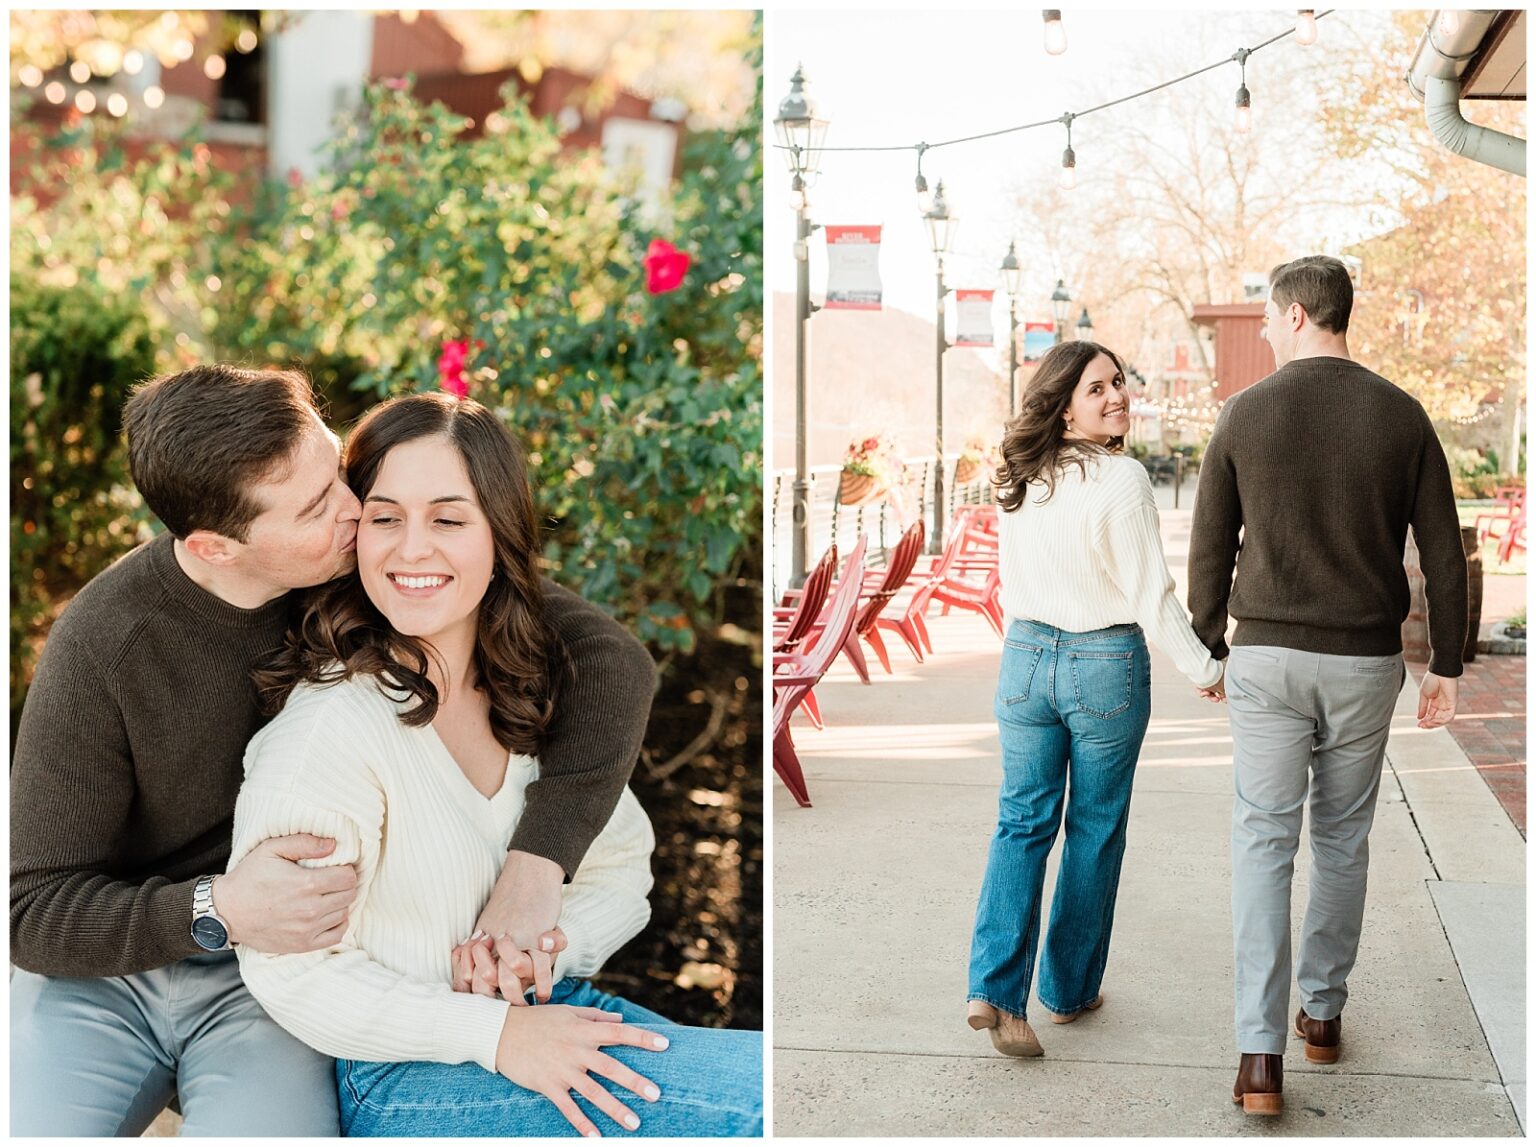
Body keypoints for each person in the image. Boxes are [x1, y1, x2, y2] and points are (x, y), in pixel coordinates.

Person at [10, 365, 657, 1136]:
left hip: (280, 982)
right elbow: (28, 908)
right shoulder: (107, 644)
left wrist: (538, 862)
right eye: (320, 506)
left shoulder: (368, 569)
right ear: (219, 546)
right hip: (113, 972)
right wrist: (220, 907)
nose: (358, 511)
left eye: (336, 472)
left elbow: (612, 659)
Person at [231, 392, 762, 1137]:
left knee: (778, 1081)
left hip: (546, 1013)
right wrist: (492, 1034)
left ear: (498, 536)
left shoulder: (533, 692)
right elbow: (291, 970)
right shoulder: (331, 730)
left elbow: (620, 863)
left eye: (449, 518)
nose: (412, 548)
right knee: (762, 1110)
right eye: (386, 517)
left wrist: (542, 951)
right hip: (402, 1070)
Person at [1188, 255, 1466, 1116]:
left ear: (1301, 313)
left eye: (1270, 316)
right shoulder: (1403, 416)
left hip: (1268, 659)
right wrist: (1445, 664)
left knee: (1264, 843)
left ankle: (1260, 1058)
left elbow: (1210, 545)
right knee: (1342, 841)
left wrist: (1208, 643)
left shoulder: (1245, 413)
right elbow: (1444, 553)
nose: (1266, 330)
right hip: (1363, 665)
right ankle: (1323, 1012)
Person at [965, 341, 1226, 1059]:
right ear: (1063, 404)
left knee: (1021, 822)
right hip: (1102, 663)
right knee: (1095, 827)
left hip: (1023, 659)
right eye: (1096, 388)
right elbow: (1152, 595)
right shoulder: (1122, 478)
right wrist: (1205, 667)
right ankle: (1069, 990)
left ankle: (992, 988)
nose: (1117, 395)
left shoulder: (1020, 476)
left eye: (1119, 382)